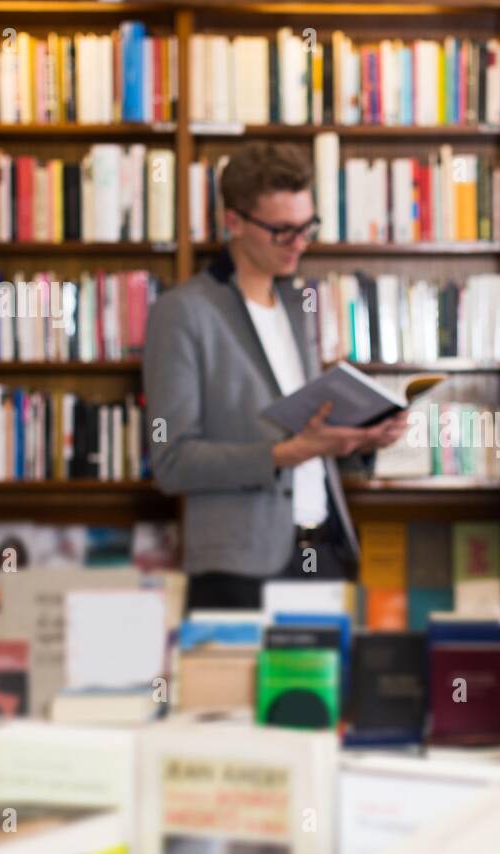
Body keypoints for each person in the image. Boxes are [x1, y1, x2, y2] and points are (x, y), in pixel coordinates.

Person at [144, 141, 408, 611]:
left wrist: (361, 439)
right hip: (239, 570)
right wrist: (289, 452)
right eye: (283, 231)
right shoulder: (182, 312)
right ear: (234, 223)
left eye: (307, 227)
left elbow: (313, 442)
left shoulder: (297, 305)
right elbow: (172, 463)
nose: (300, 243)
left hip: (321, 552)